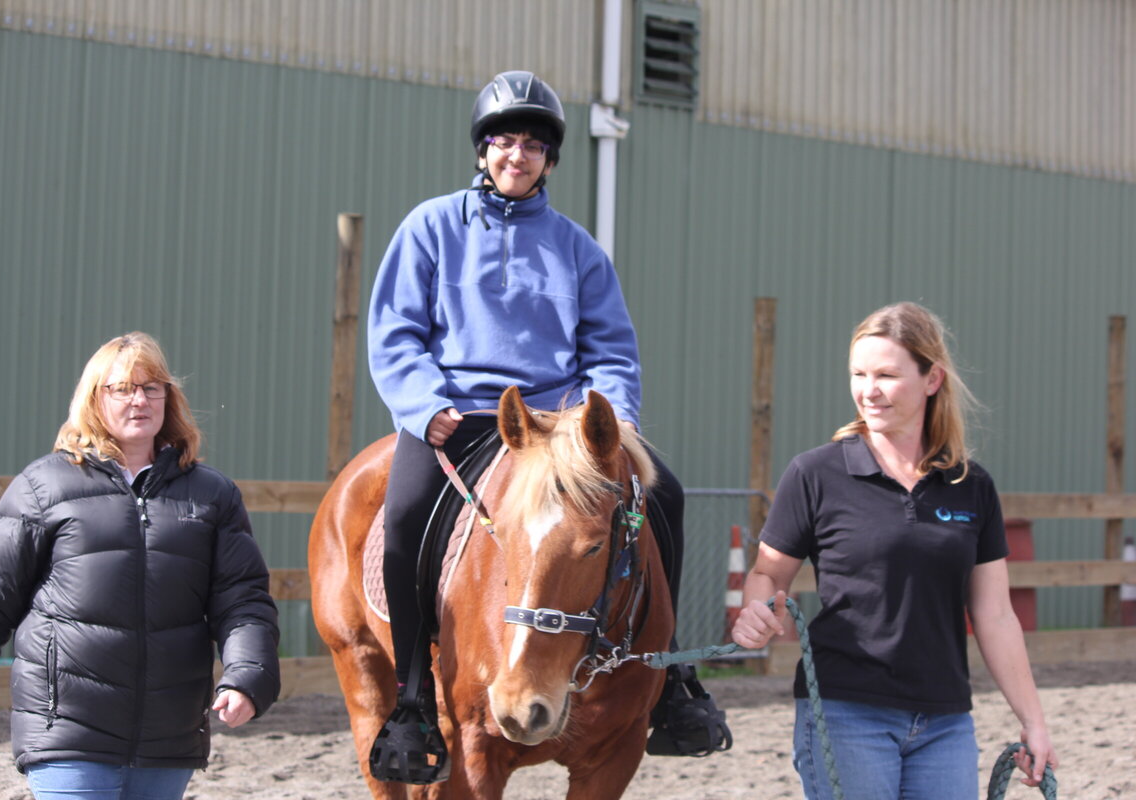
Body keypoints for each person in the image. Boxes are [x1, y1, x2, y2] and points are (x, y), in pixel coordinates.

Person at [365, 69, 731, 782]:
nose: (517, 154)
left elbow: (611, 349)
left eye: (534, 144)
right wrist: (422, 405)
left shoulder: (578, 249)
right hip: (457, 417)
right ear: (483, 150)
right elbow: (395, 333)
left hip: (560, 427)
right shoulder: (430, 227)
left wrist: (614, 420)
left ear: (550, 161)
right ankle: (412, 694)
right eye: (504, 140)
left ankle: (670, 680)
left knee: (667, 495)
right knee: (405, 515)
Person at [731, 302, 1058, 800]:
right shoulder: (815, 474)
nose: (869, 390)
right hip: (846, 714)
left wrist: (1033, 721)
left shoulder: (971, 486)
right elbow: (767, 574)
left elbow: (995, 615)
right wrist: (756, 610)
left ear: (932, 379)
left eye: (886, 374)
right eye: (858, 374)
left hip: (946, 722)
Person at [0, 332, 281, 800]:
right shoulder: (43, 487)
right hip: (66, 733)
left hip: (167, 737)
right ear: (94, 399)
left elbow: (244, 602)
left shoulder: (213, 495)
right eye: (121, 388)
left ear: (168, 397)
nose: (139, 399)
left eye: (151, 387)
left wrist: (246, 676)